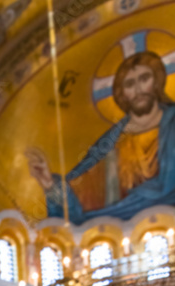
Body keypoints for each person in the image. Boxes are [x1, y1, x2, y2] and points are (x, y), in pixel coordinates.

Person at [27, 51, 175, 224]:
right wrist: (50, 184)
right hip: (119, 235)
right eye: (129, 84)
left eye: (144, 79)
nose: (138, 90)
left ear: (156, 81)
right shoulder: (111, 142)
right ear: (122, 93)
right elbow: (81, 194)